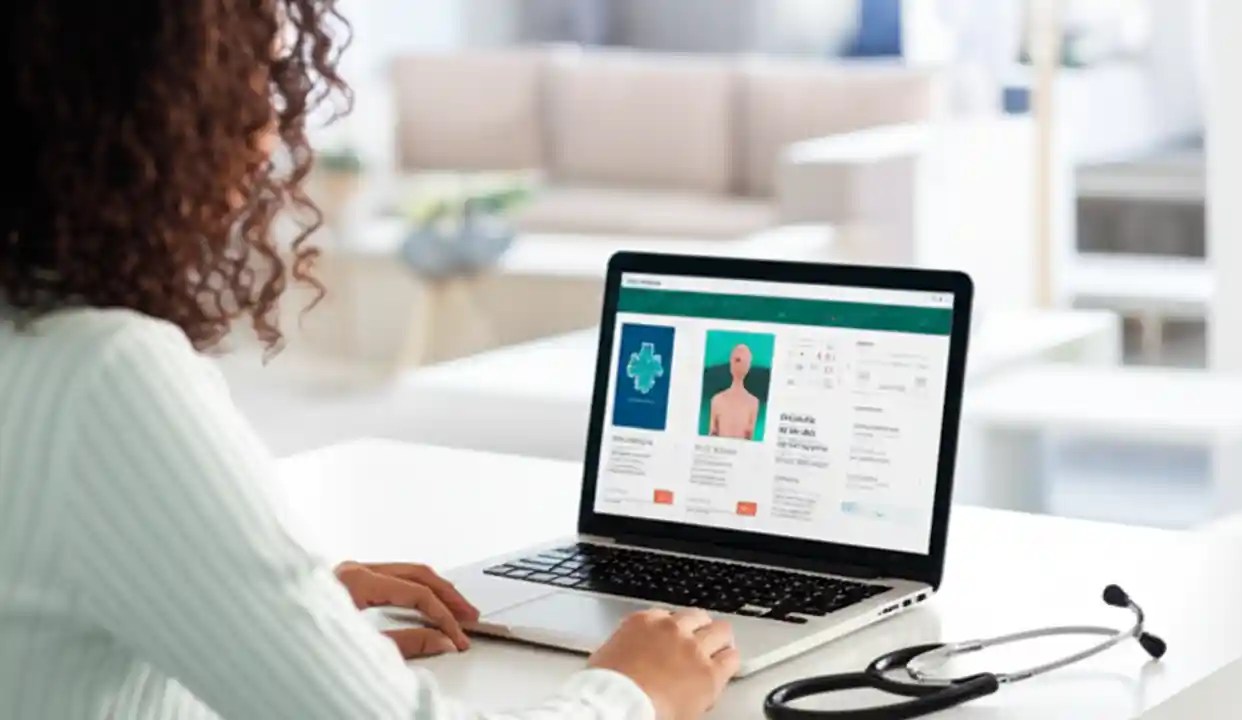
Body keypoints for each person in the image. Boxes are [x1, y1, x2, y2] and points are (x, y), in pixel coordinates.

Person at [0, 2, 738, 718]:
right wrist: (633, 691)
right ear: (146, 110)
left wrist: (263, 625)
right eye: (246, 84)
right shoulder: (103, 378)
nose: (268, 136)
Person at [710, 344, 761, 441]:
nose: (739, 364)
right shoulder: (717, 400)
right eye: (737, 360)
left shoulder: (753, 403)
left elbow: (749, 438)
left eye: (743, 361)